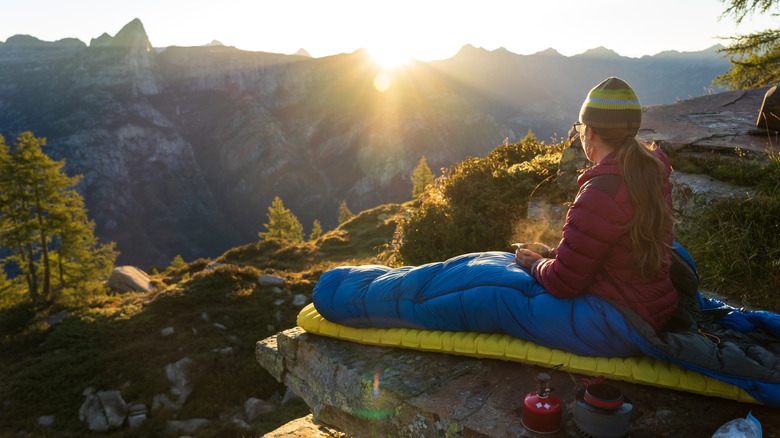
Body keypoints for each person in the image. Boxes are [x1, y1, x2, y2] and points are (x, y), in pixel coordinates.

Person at [515, 77, 678, 332]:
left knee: (507, 299)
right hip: (655, 308)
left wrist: (535, 264)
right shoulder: (650, 171)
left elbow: (563, 283)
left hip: (621, 321)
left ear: (590, 132)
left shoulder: (600, 192)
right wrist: (559, 255)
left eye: (581, 128)